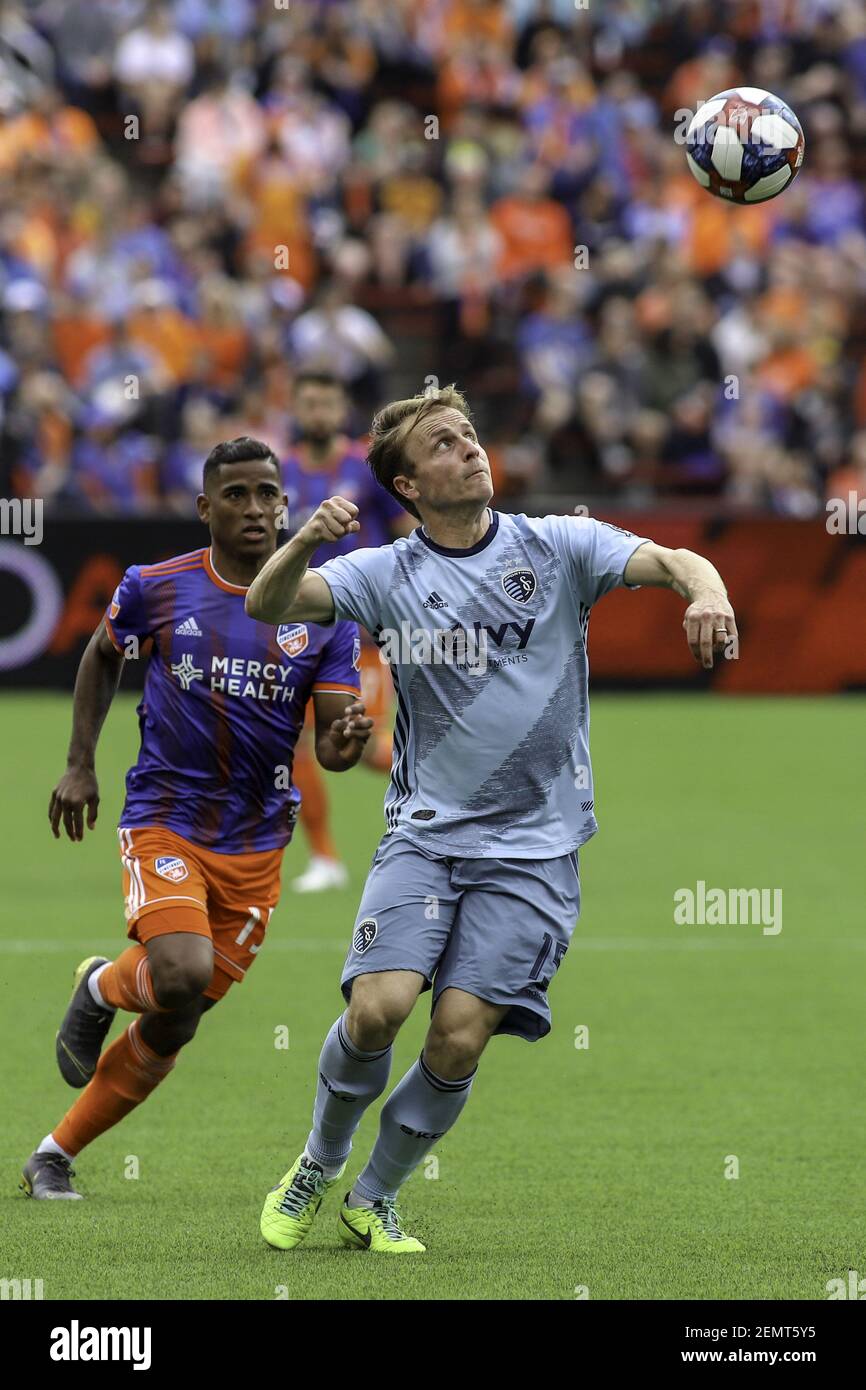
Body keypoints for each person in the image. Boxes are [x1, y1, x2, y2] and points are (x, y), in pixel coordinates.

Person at [245, 384, 737, 1253]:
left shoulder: (559, 548)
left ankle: (376, 1196)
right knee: (377, 1011)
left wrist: (708, 594)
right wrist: (303, 542)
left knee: (460, 1037)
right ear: (410, 485)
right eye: (443, 444)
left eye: (469, 435)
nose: (468, 449)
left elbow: (674, 560)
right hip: (426, 837)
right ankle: (317, 1166)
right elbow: (268, 605)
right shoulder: (388, 573)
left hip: (537, 851)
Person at [21, 437, 370, 1200]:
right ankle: (107, 990)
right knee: (180, 973)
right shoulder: (157, 585)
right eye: (237, 495)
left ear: (286, 503)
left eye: (268, 494)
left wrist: (345, 738)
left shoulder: (325, 612)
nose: (255, 508)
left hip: (256, 842)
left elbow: (338, 739)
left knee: (177, 1019)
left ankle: (54, 1152)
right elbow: (101, 654)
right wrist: (81, 763)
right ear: (206, 507)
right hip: (165, 819)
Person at [283, 371, 411, 894]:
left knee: (360, 745)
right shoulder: (279, 471)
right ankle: (326, 859)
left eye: (327, 402)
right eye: (309, 402)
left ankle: (450, 786)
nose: (318, 412)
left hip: (361, 632)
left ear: (341, 409)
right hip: (296, 633)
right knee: (297, 745)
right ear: (295, 406)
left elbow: (407, 530)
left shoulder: (367, 469)